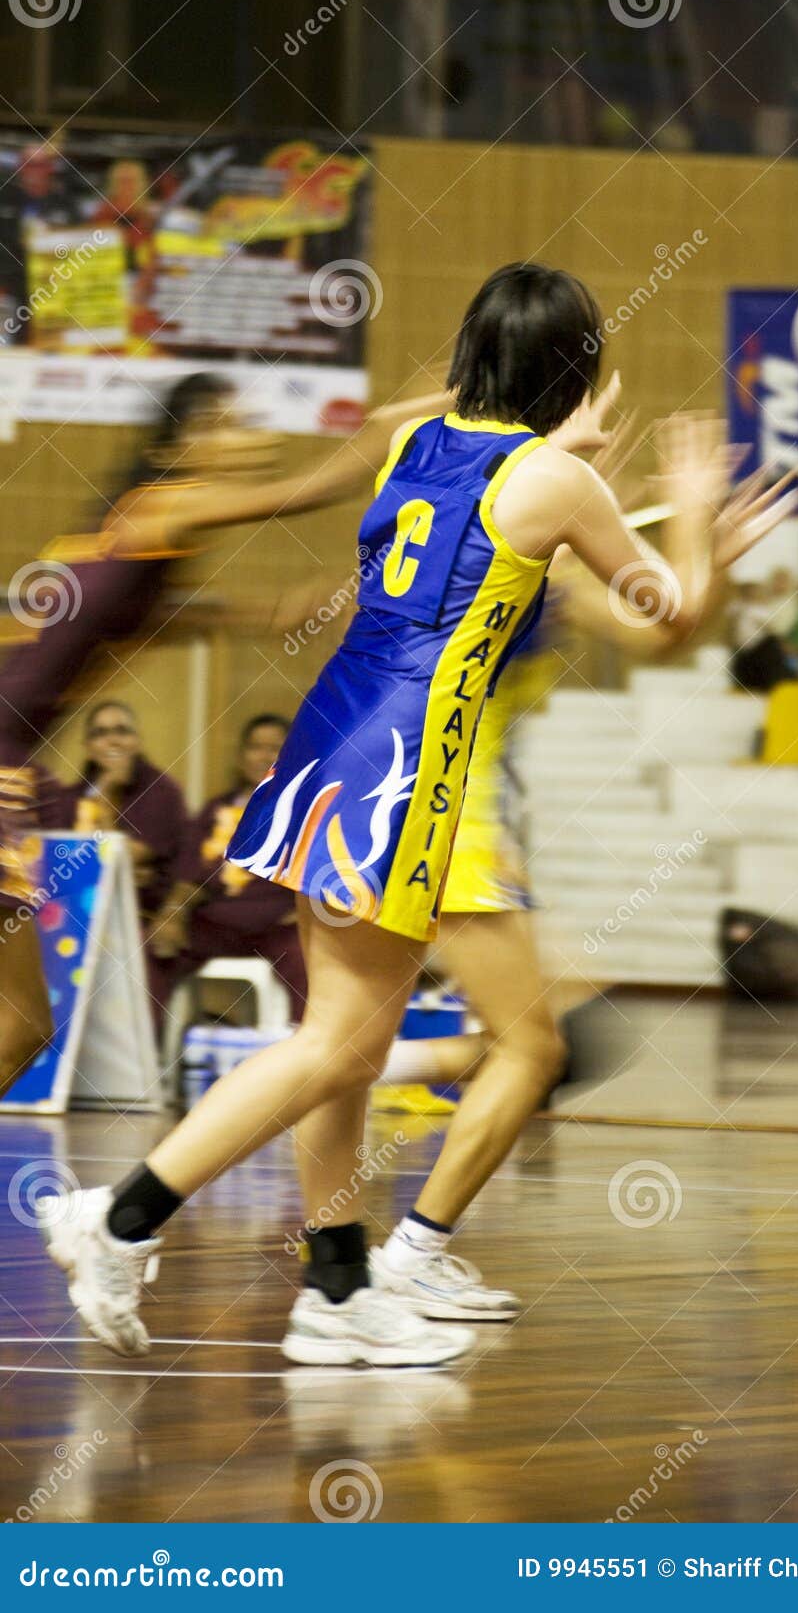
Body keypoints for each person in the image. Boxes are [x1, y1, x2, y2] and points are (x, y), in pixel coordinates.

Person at [38, 261, 731, 1370]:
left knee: (350, 1046)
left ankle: (336, 1287)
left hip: (328, 740)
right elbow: (672, 607)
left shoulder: (422, 447)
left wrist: (574, 461)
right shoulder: (556, 480)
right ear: (576, 371)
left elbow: (482, 516)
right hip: (405, 772)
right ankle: (115, 1218)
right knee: (334, 1044)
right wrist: (693, 519)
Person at [368, 453, 798, 1320]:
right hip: (451, 823)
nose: (600, 446)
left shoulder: (457, 516)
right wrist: (688, 522)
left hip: (388, 803)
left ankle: (326, 1266)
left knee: (506, 1039)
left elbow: (661, 621)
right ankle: (403, 1252)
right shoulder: (527, 542)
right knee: (539, 1049)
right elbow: (665, 623)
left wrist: (696, 543)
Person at [0, 367, 450, 1099]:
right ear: (189, 442)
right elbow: (308, 491)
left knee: (21, 1028)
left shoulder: (134, 531)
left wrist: (266, 613)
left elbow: (162, 621)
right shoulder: (166, 507)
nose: (254, 438)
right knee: (20, 1027)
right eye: (235, 424)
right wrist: (396, 433)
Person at [149, 713, 307, 1022]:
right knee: (148, 947)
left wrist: (307, 911)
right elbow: (188, 876)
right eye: (255, 747)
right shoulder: (215, 809)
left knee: (308, 957)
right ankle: (146, 1058)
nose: (263, 755)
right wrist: (172, 914)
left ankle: (307, 1061)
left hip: (277, 927)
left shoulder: (303, 809)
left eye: (275, 748)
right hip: (216, 924)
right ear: (241, 757)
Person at [59, 699, 187, 928]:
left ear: (137, 742)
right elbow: (58, 862)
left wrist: (108, 794)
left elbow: (121, 859)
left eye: (122, 731)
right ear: (88, 747)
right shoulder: (71, 796)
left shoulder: (163, 791)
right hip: (76, 911)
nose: (112, 740)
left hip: (140, 918)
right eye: (100, 733)